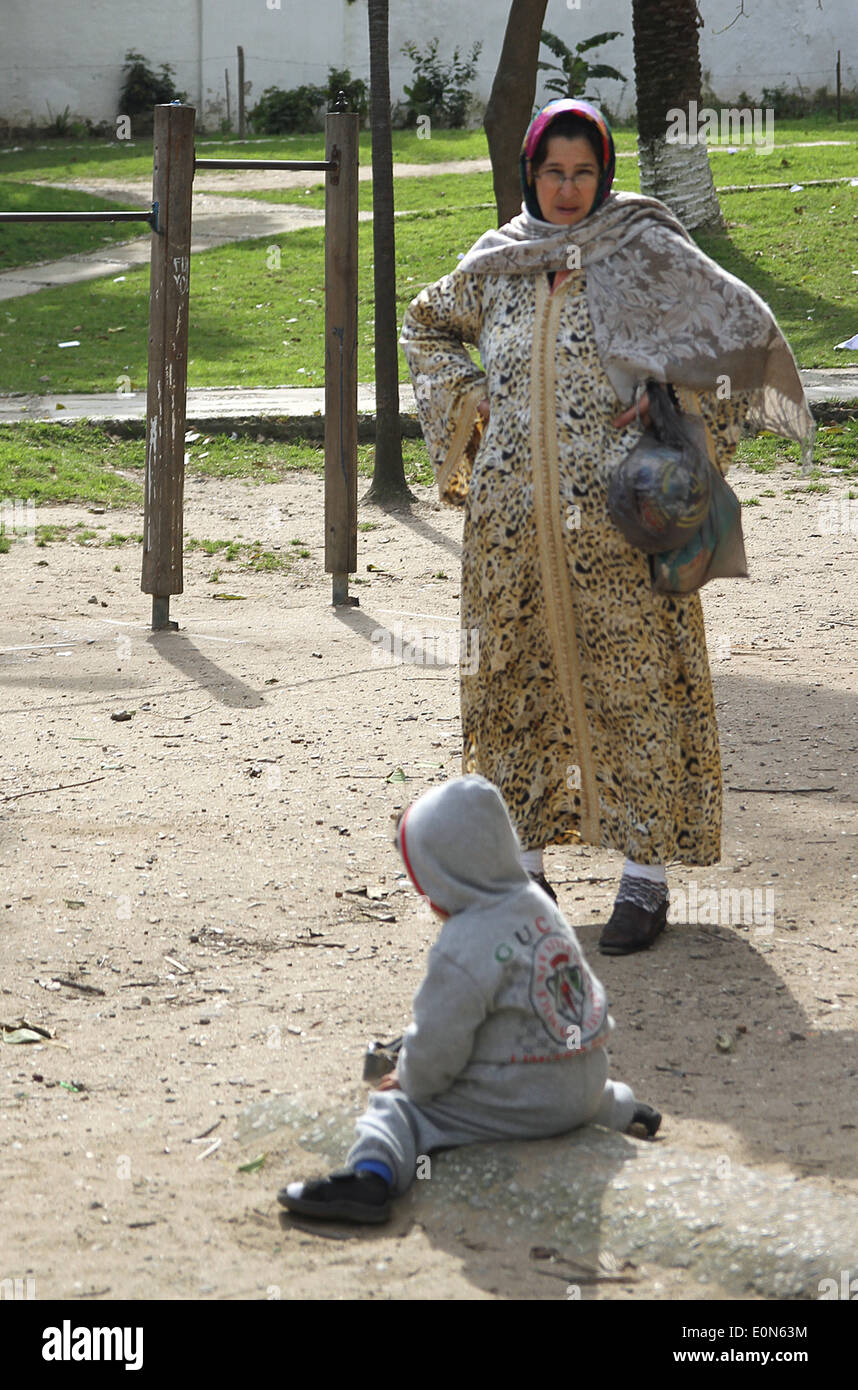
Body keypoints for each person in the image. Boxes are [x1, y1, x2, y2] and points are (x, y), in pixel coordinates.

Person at [399, 98, 814, 955]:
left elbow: (738, 343)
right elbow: (427, 325)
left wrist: (676, 407)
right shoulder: (501, 263)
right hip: (511, 533)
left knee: (639, 690)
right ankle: (528, 876)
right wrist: (474, 405)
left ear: (606, 173)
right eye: (552, 170)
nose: (566, 187)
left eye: (583, 171)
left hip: (622, 533)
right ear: (528, 172)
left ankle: (645, 881)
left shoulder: (650, 252)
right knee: (516, 689)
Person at [278, 776, 659, 1224]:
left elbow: (440, 1041)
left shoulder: (462, 944)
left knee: (400, 1107)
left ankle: (369, 1179)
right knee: (557, 1065)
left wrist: (409, 1078)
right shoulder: (537, 903)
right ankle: (622, 1108)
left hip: (525, 1099)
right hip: (587, 1079)